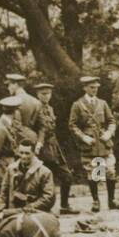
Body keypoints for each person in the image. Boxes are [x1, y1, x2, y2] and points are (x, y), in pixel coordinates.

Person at [69, 75, 119, 212]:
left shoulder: (102, 103)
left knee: (110, 171)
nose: (94, 90)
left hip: (103, 143)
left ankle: (111, 200)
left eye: (96, 88)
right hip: (89, 145)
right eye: (91, 88)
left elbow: (111, 121)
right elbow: (72, 125)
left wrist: (109, 132)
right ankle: (96, 201)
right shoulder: (78, 105)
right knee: (94, 174)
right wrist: (83, 137)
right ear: (84, 88)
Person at [31, 83, 73, 214]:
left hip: (54, 147)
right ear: (38, 95)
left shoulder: (50, 108)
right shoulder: (35, 109)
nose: (46, 96)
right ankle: (43, 208)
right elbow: (40, 129)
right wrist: (38, 144)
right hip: (42, 148)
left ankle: (64, 206)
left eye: (48, 94)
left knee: (67, 176)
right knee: (43, 179)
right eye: (43, 94)